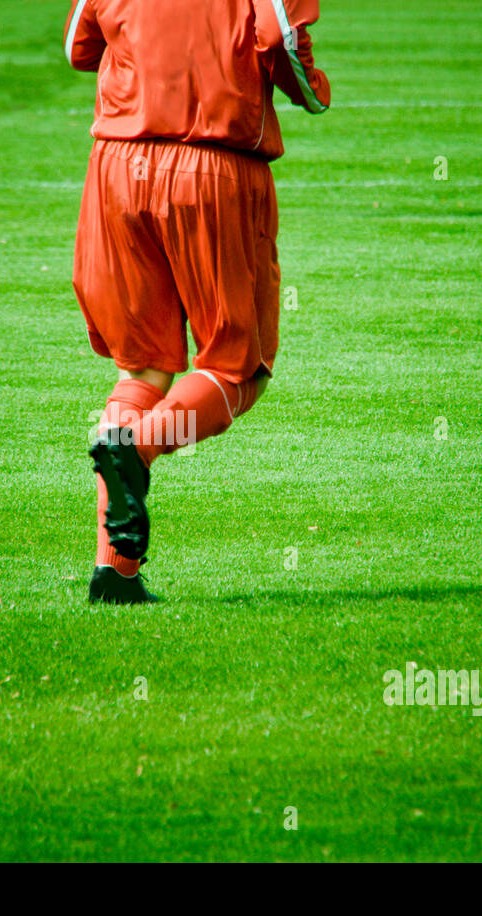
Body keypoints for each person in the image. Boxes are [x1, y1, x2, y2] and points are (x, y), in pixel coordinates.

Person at [65, 0, 331, 604]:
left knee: (142, 370)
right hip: (212, 170)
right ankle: (140, 447)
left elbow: (79, 51)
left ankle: (116, 572)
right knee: (237, 369)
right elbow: (286, 47)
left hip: (114, 172)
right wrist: (312, 89)